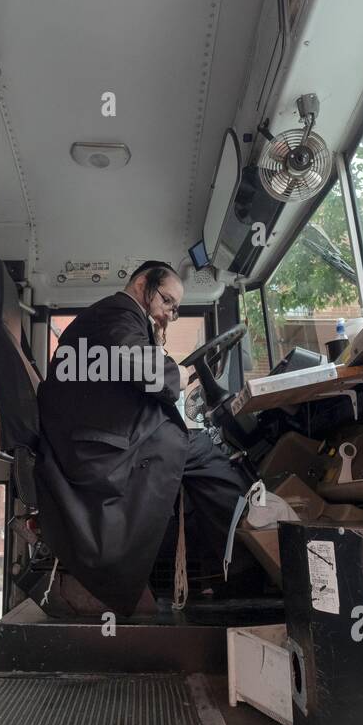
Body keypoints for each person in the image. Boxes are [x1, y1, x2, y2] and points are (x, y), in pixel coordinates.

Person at [32, 261, 252, 617]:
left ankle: (214, 572)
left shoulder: (118, 319)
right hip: (99, 443)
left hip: (100, 432)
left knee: (192, 451)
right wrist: (175, 376)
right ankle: (245, 569)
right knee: (210, 459)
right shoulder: (117, 314)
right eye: (167, 301)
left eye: (176, 309)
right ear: (141, 284)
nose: (170, 313)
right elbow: (131, 361)